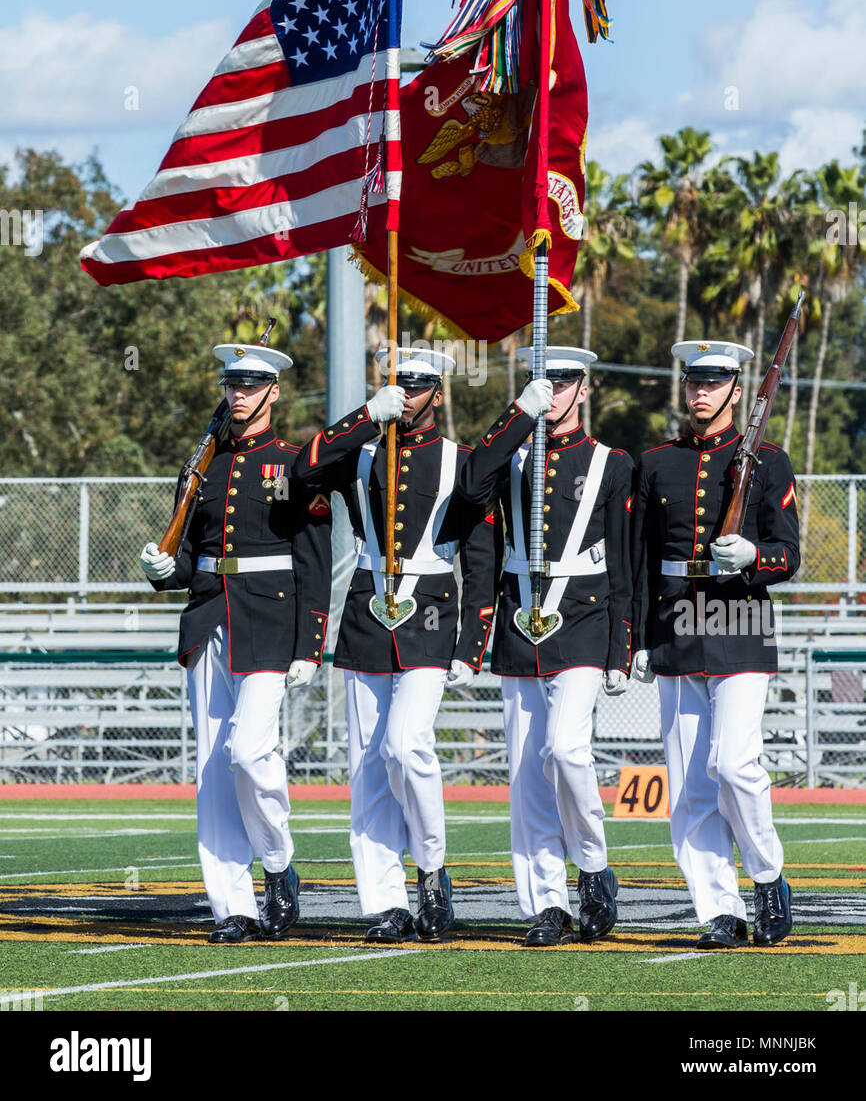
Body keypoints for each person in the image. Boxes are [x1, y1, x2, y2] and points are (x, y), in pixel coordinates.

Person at [292, 346, 498, 943]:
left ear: (439, 393)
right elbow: (302, 471)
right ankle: (384, 901)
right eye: (398, 385)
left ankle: (432, 869)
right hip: (363, 612)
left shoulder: (461, 462)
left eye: (417, 387)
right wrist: (363, 416)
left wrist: (472, 641)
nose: (406, 396)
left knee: (407, 747)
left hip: (431, 613)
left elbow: (480, 559)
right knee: (368, 769)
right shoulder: (358, 454)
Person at [140, 341, 331, 944]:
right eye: (232, 384)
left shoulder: (296, 464)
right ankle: (234, 909)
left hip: (272, 623)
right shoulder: (204, 467)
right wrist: (165, 572)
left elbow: (314, 560)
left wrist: (310, 643)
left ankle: (277, 864)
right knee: (214, 772)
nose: (239, 394)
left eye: (251, 385)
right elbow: (192, 552)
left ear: (274, 392)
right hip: (208, 618)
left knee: (250, 754)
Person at [458, 346, 633, 947]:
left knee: (566, 751)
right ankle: (546, 904)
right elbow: (470, 487)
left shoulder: (613, 464)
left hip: (583, 618)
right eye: (543, 382)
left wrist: (622, 648)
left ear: (584, 389)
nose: (553, 392)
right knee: (527, 775)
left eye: (563, 383)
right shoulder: (511, 457)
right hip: (517, 620)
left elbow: (624, 565)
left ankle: (593, 865)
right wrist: (514, 416)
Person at [631, 339, 800, 949]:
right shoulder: (657, 463)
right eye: (692, 382)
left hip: (741, 626)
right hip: (676, 629)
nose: (699, 392)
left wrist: (756, 557)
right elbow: (643, 558)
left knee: (735, 765)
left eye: (713, 382)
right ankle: (717, 909)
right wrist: (640, 639)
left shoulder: (768, 462)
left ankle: (767, 874)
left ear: (736, 389)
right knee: (690, 784)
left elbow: (790, 555)